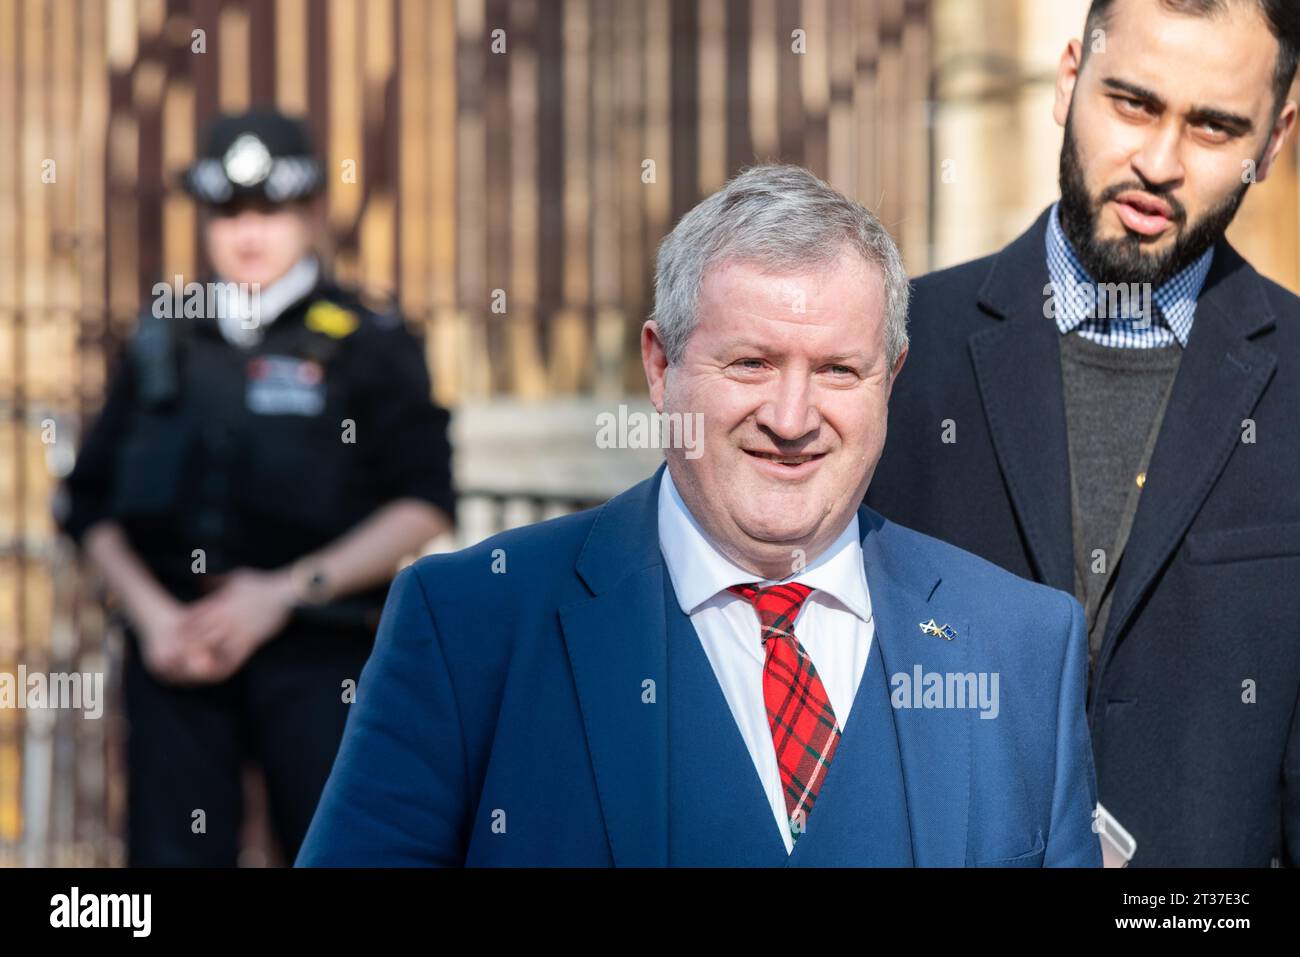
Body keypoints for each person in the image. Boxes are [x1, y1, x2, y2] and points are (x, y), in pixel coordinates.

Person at [296, 164, 1102, 867]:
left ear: (890, 377)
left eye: (837, 370)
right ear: (660, 364)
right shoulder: (471, 628)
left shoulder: (1024, 645)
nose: (792, 417)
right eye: (750, 362)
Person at [864, 0, 1300, 866]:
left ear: (1274, 143)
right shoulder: (891, 355)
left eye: (1215, 127)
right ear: (1069, 79)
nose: (1159, 161)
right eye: (1133, 102)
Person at [57, 109, 456, 866]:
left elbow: (422, 500)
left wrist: (280, 594)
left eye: (269, 211)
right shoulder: (163, 337)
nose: (248, 233)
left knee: (334, 848)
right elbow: (90, 504)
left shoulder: (368, 340)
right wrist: (155, 617)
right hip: (176, 657)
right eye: (228, 212)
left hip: (318, 654)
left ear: (310, 212)